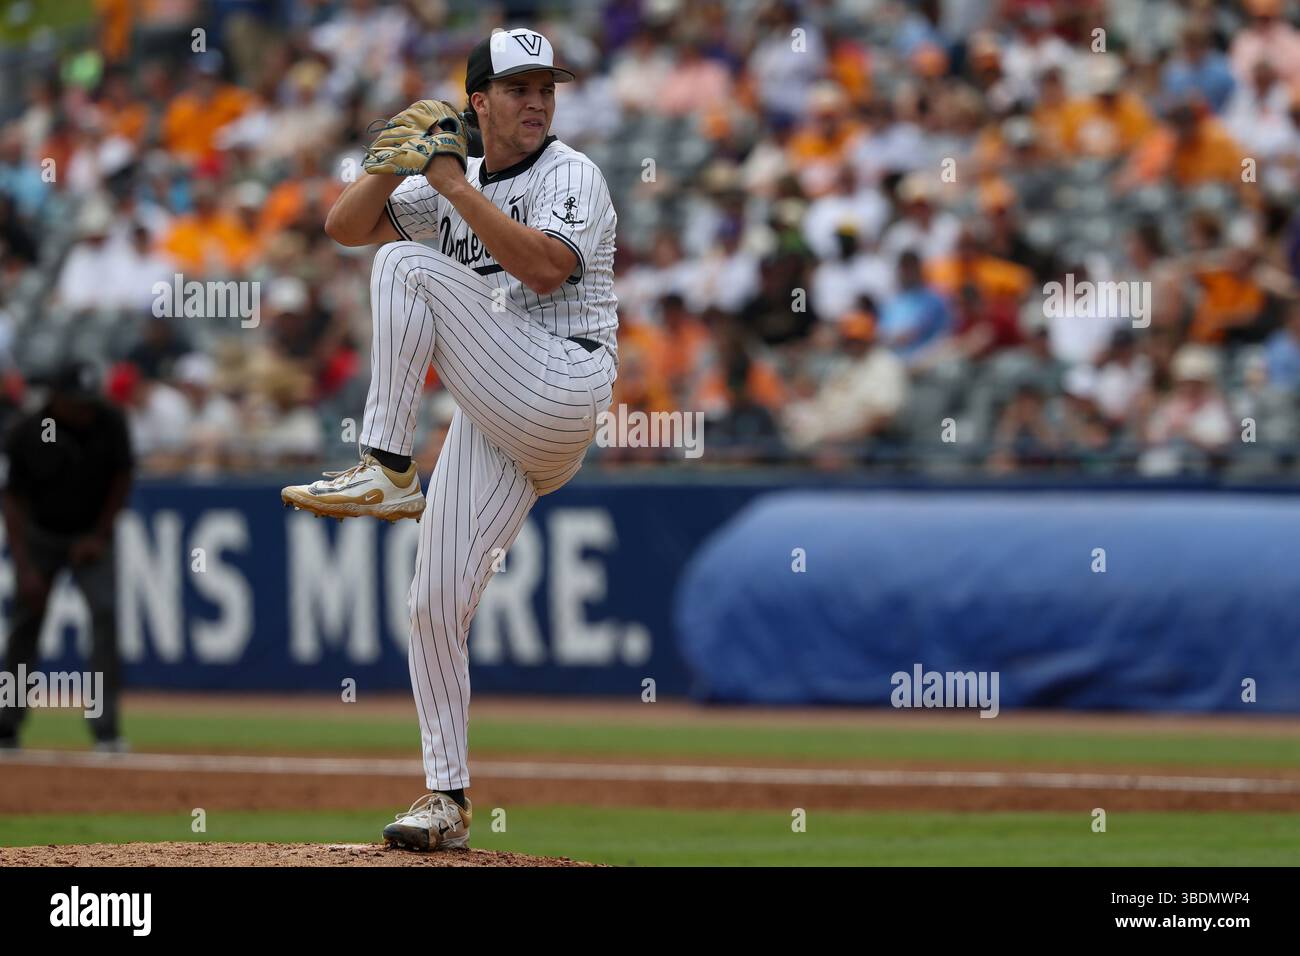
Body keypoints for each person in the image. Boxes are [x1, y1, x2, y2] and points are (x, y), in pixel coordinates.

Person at [281, 28, 617, 852]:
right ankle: (446, 799)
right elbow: (342, 225)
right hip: (500, 411)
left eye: (547, 88)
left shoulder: (570, 173)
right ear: (479, 103)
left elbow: (542, 270)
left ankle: (388, 465)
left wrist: (449, 185)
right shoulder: (445, 182)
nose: (537, 102)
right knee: (434, 601)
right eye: (518, 88)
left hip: (566, 382)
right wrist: (389, 165)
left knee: (405, 270)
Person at [0, 362, 132, 750]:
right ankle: (6, 723)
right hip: (40, 536)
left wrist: (98, 535)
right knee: (26, 623)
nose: (85, 411)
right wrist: (24, 566)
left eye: (90, 402)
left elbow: (122, 479)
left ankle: (106, 728)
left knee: (105, 613)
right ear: (56, 399)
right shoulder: (27, 431)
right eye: (77, 403)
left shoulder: (109, 421)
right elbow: (11, 500)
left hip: (92, 535)